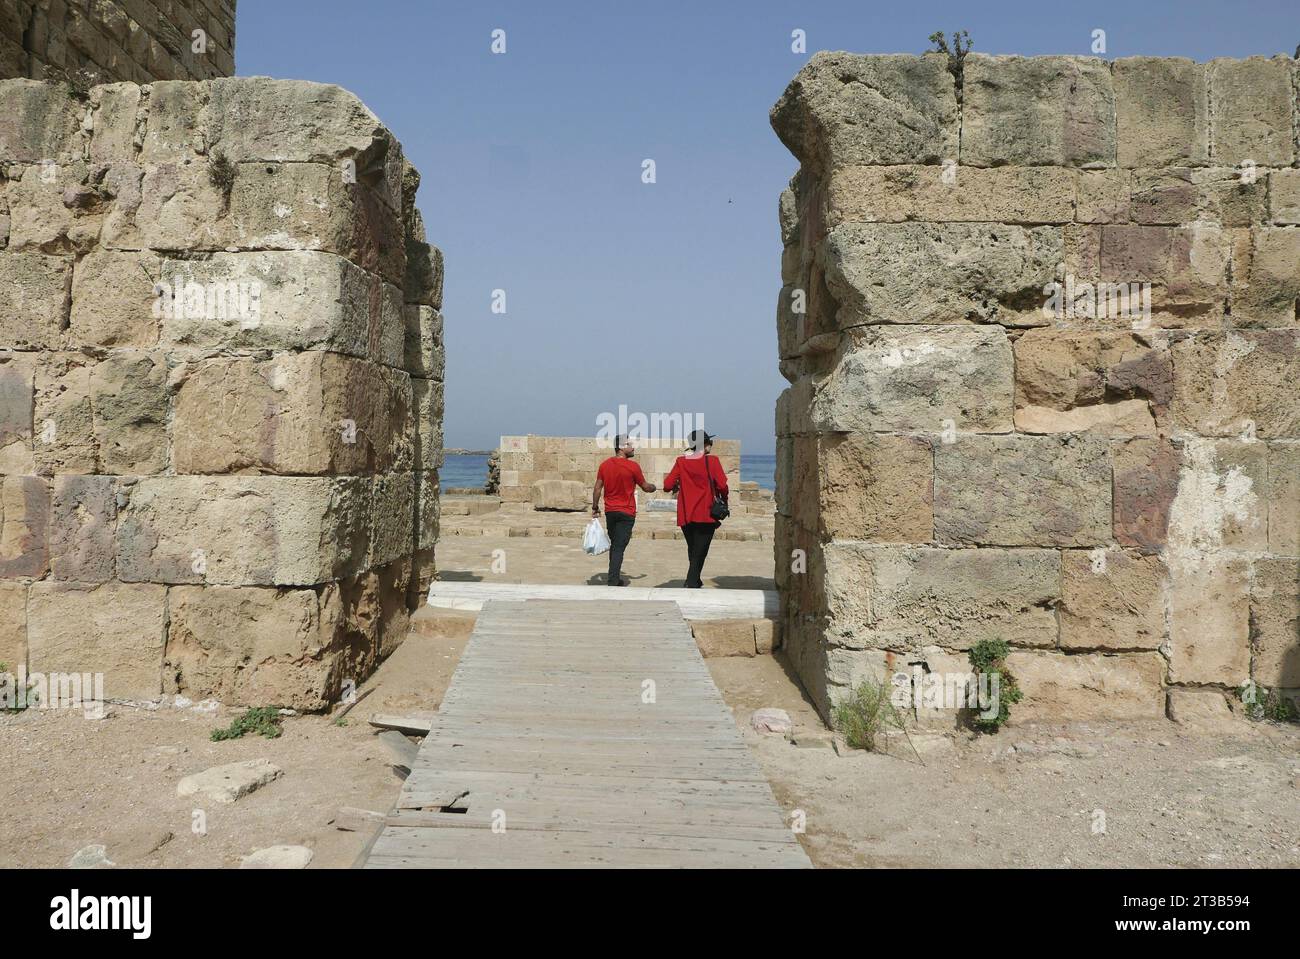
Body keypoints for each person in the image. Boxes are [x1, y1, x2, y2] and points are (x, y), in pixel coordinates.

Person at [663, 429, 729, 589]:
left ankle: (695, 579)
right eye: (709, 443)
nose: (711, 446)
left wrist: (680, 484)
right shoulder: (712, 461)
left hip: (686, 513)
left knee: (694, 548)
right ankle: (691, 582)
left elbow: (667, 486)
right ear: (704, 445)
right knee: (701, 550)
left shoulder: (681, 461)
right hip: (706, 513)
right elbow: (722, 485)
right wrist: (724, 499)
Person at [592, 435, 656, 586]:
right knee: (619, 546)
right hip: (627, 512)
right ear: (621, 447)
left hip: (610, 511)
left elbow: (597, 488)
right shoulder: (633, 467)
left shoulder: (604, 465)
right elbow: (646, 487)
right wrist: (654, 487)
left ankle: (613, 575)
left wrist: (595, 507)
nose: (633, 447)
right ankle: (613, 580)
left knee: (615, 544)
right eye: (629, 444)